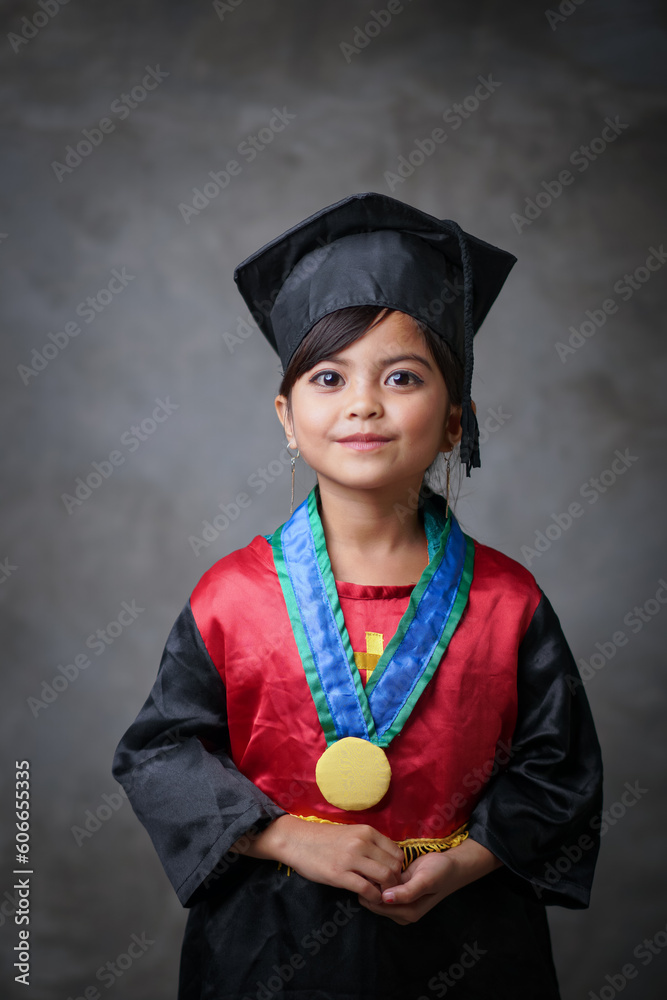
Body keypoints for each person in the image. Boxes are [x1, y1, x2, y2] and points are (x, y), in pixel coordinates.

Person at [112, 192, 604, 1000]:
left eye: (403, 376)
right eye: (328, 375)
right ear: (286, 414)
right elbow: (159, 753)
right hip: (267, 948)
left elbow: (561, 769)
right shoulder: (231, 598)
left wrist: (469, 859)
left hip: (468, 941)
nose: (362, 402)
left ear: (454, 422)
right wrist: (284, 836)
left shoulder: (506, 602)